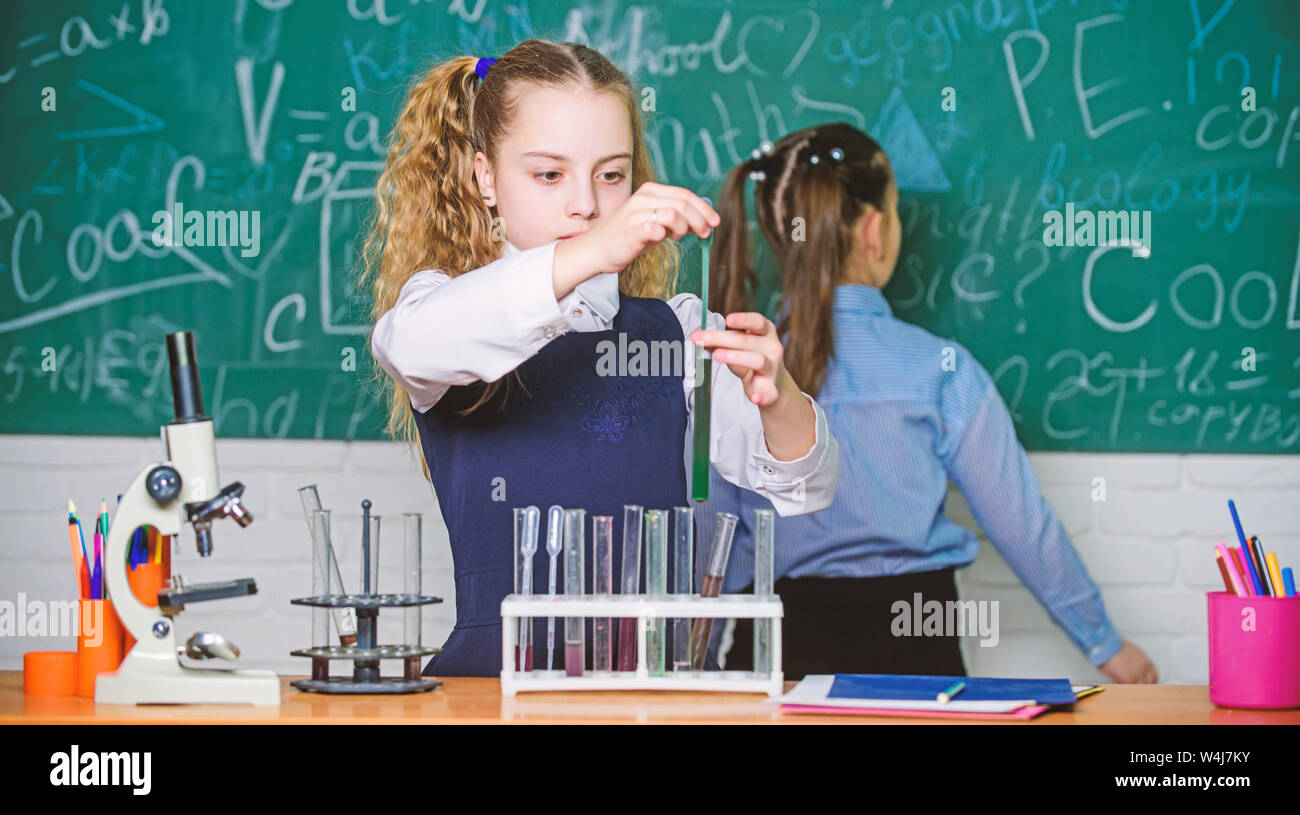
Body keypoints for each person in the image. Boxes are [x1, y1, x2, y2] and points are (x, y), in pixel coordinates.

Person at [362, 40, 840, 677]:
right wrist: (592, 250)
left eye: (611, 175)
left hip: (653, 689)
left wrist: (778, 400)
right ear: (486, 178)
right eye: (549, 175)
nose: (585, 205)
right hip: (494, 689)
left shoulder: (677, 329)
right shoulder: (443, 310)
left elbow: (807, 488)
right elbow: (412, 344)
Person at [700, 122, 1157, 683]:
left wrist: (692, 668)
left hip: (779, 654)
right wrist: (1106, 644)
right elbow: (1022, 524)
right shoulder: (941, 370)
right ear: (875, 231)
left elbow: (713, 544)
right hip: (916, 647)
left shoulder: (738, 375)